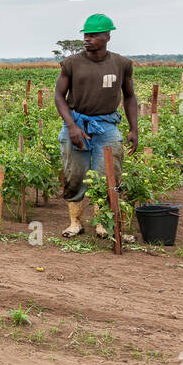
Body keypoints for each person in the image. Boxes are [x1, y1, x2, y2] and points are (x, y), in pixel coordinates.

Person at [53, 13, 138, 239]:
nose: (87, 39)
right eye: (85, 35)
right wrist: (71, 126)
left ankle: (102, 224)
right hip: (76, 123)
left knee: (109, 175)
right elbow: (59, 96)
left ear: (107, 36)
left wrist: (133, 129)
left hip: (107, 125)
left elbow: (129, 96)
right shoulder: (71, 63)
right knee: (75, 174)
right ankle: (75, 223)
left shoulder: (121, 64)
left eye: (93, 35)